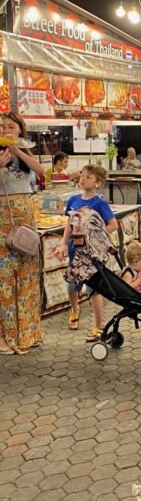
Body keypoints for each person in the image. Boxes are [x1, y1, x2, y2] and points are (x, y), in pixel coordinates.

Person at [0, 112, 45, 354]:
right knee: (4, 278)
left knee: (27, 274)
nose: (6, 131)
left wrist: (17, 151)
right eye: (2, 127)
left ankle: (28, 333)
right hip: (2, 218)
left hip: (26, 218)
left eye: (10, 127)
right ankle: (4, 338)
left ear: (19, 130)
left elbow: (41, 171)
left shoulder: (22, 151)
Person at [56, 165, 118, 341]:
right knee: (72, 284)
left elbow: (112, 224)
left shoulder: (100, 202)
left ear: (97, 183)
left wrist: (96, 239)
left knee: (94, 290)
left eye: (88, 177)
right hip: (75, 251)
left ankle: (98, 326)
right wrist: (62, 242)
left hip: (93, 256)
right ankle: (75, 309)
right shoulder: (73, 199)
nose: (83, 179)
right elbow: (69, 223)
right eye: (82, 175)